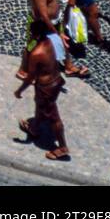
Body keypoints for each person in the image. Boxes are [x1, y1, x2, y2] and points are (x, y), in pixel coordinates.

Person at [18, 0, 89, 80]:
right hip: (40, 24)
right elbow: (43, 15)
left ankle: (69, 66)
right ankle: (23, 71)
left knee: (64, 42)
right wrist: (57, 33)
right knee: (32, 47)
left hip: (54, 20)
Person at [15, 19, 69, 161]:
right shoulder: (50, 43)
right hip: (56, 81)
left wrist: (19, 90)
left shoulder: (36, 53)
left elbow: (30, 77)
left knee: (53, 116)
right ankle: (35, 128)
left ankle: (62, 147)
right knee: (41, 105)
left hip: (46, 87)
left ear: (34, 34)